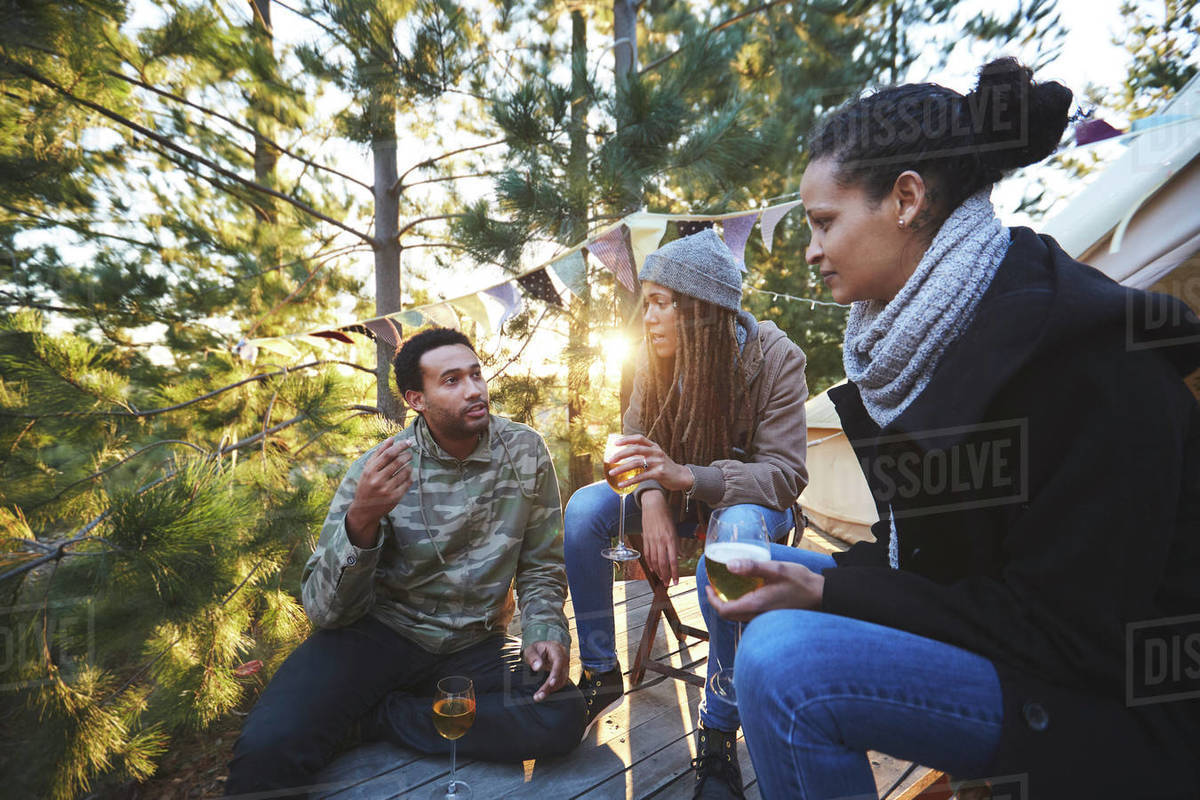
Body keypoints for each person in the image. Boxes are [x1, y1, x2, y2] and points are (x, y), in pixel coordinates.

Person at [702, 58, 1200, 799]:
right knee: (747, 563)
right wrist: (810, 576)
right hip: (1021, 638)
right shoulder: (921, 345)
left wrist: (828, 591)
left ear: (906, 198)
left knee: (786, 665)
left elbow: (1065, 632)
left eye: (824, 223)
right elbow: (937, 556)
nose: (809, 251)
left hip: (1124, 708)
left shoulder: (1086, 357)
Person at [225, 328, 585, 798]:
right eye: (452, 380)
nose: (475, 389)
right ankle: (402, 709)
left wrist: (544, 630)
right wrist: (363, 519)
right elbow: (324, 611)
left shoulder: (525, 450)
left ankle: (380, 717)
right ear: (416, 398)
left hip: (475, 643)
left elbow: (541, 566)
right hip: (378, 637)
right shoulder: (380, 469)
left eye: (476, 374)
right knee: (265, 750)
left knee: (562, 713)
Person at [563, 228, 809, 799]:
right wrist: (651, 496)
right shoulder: (656, 357)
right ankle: (600, 672)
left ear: (700, 309)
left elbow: (784, 474)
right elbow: (634, 434)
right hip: (670, 495)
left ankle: (720, 726)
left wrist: (687, 477)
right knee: (583, 511)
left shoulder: (776, 358)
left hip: (747, 503)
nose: (645, 317)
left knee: (738, 536)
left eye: (658, 302)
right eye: (643, 300)